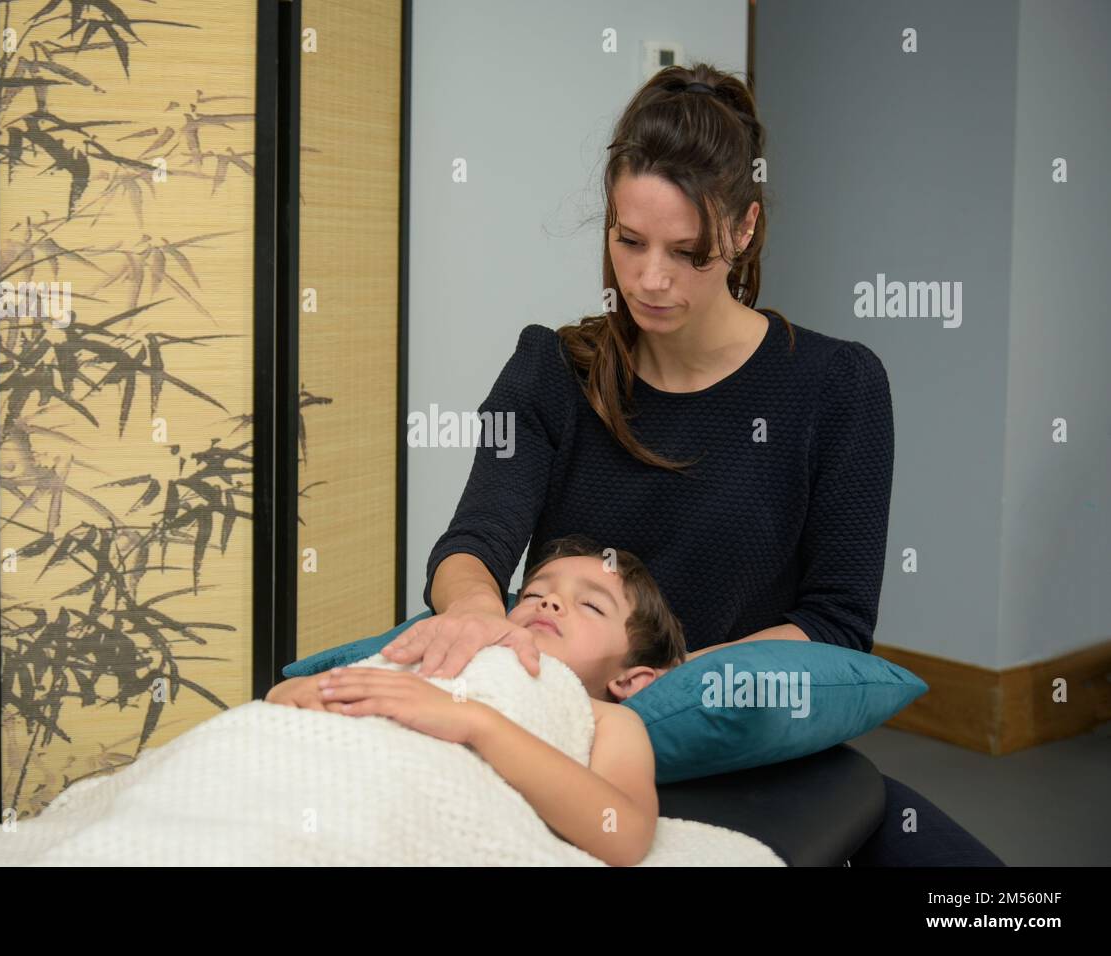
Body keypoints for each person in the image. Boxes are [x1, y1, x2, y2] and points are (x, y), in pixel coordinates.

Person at [389, 63, 1004, 867]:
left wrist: (671, 689)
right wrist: (473, 612)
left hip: (747, 744)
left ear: (744, 230)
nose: (650, 279)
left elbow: (837, 624)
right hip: (579, 752)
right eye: (628, 241)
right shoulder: (550, 372)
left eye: (688, 251)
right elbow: (474, 541)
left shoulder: (837, 388)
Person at [266, 535, 687, 865]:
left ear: (631, 679)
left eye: (592, 605)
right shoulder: (450, 649)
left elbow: (624, 836)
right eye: (532, 595)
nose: (549, 601)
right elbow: (292, 697)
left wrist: (476, 723)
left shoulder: (606, 720)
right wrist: (298, 694)